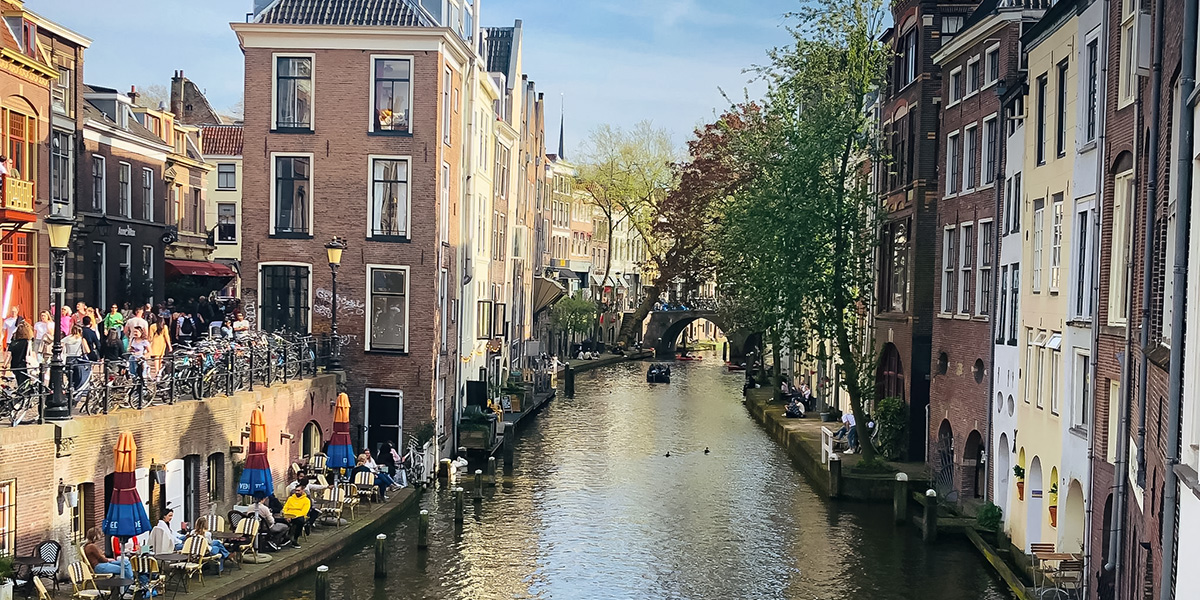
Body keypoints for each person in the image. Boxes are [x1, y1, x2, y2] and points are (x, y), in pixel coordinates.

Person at [63, 324, 91, 389]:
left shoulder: (67, 339)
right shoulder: (81, 339)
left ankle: (70, 389)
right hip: (77, 359)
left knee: (70, 377)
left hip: (68, 359)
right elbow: (88, 350)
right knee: (78, 377)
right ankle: (75, 391)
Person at [9, 318, 33, 387]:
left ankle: (20, 392)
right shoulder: (27, 342)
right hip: (24, 364)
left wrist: (5, 364)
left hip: (14, 364)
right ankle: (23, 393)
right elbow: (30, 353)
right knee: (24, 381)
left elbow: (9, 354)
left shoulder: (13, 343)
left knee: (19, 379)